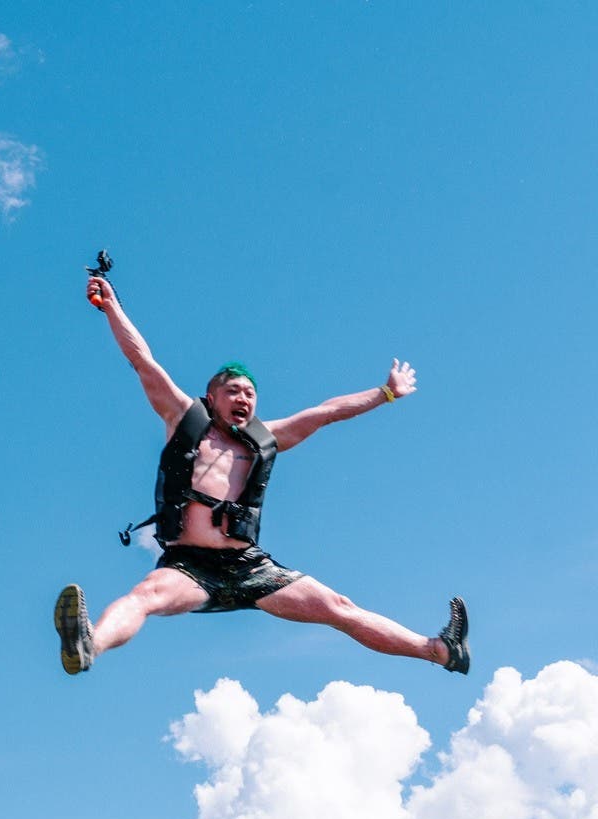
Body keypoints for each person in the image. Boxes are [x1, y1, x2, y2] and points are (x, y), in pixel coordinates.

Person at [55, 273, 470, 677]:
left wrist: (386, 392)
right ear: (211, 396)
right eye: (233, 391)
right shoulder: (181, 416)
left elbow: (325, 413)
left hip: (250, 568)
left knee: (338, 607)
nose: (243, 398)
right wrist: (111, 306)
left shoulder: (265, 438)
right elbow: (140, 359)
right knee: (145, 596)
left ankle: (439, 651)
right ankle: (89, 643)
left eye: (250, 393)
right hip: (189, 567)